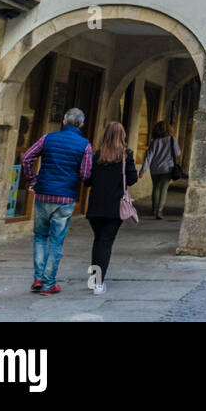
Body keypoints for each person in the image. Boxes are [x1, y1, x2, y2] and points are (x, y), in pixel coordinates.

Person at [21, 107, 93, 295]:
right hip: (65, 197)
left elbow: (27, 157)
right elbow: (85, 174)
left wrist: (33, 181)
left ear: (63, 121)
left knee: (39, 236)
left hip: (43, 194)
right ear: (82, 125)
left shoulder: (47, 138)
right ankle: (49, 283)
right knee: (56, 241)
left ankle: (38, 278)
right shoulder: (85, 145)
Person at [84, 122, 137, 295]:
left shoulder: (97, 154)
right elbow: (132, 179)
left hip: (95, 207)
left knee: (98, 241)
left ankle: (94, 280)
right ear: (122, 136)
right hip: (115, 208)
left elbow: (88, 180)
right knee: (105, 243)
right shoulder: (126, 155)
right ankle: (98, 284)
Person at [140, 121, 182, 219]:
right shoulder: (172, 140)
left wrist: (142, 170)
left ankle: (154, 209)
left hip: (154, 169)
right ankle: (159, 211)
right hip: (167, 168)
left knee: (156, 188)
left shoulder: (154, 142)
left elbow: (148, 157)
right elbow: (177, 153)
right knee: (164, 189)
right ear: (169, 129)